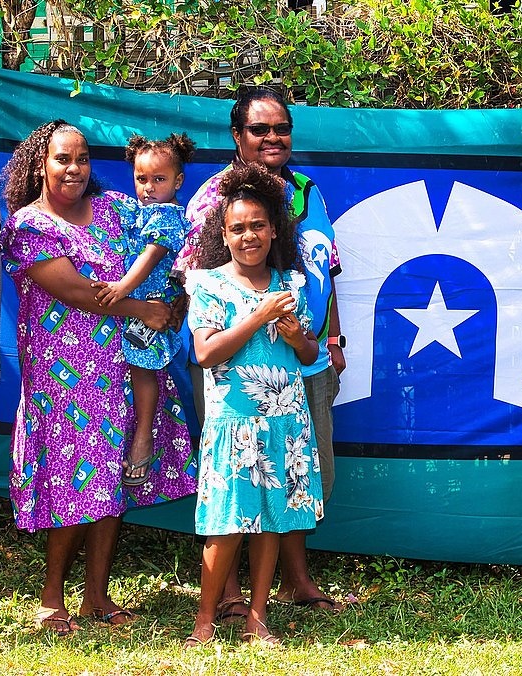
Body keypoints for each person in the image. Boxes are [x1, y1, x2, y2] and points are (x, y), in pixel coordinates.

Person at [0, 120, 196, 635]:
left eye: (83, 159)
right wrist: (142, 309)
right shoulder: (29, 225)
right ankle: (51, 597)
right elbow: (74, 291)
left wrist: (174, 299)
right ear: (40, 164)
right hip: (63, 381)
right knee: (69, 480)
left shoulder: (114, 208)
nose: (75, 169)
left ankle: (96, 596)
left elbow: (165, 241)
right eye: (63, 159)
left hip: (123, 368)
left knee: (110, 480)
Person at [178, 87, 343, 617]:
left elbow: (326, 269)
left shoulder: (307, 190)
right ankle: (227, 596)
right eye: (259, 129)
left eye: (281, 128)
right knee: (236, 482)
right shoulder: (213, 196)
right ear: (237, 136)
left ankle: (295, 581)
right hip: (238, 372)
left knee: (302, 473)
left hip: (303, 358)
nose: (273, 138)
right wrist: (252, 319)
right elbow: (194, 282)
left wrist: (331, 338)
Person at [182, 164, 323, 648]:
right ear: (223, 234)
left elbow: (308, 353)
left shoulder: (291, 283)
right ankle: (205, 620)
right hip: (235, 422)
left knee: (271, 520)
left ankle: (258, 618)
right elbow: (205, 353)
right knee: (226, 523)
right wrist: (259, 316)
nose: (249, 236)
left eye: (258, 225)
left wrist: (297, 337)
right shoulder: (208, 284)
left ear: (274, 230)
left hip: (285, 420)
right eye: (238, 228)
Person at [94, 133, 196, 486]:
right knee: (135, 372)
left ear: (178, 182)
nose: (149, 187)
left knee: (142, 371)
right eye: (141, 178)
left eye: (159, 179)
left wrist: (122, 288)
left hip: (152, 307)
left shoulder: (167, 215)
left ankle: (143, 435)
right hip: (137, 308)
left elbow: (151, 256)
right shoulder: (141, 210)